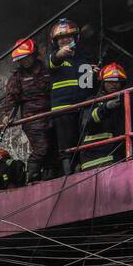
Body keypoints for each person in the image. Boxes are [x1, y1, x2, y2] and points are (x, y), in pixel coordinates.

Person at [46, 18, 94, 175]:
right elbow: (53, 62)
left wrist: (93, 73)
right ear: (55, 42)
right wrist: (59, 54)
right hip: (63, 109)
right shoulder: (54, 57)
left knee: (84, 140)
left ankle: (83, 168)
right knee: (66, 147)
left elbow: (86, 86)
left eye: (68, 36)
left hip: (82, 108)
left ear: (76, 38)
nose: (65, 40)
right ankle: (69, 174)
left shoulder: (83, 59)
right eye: (61, 38)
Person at [2, 39, 54, 183]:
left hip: (52, 114)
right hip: (32, 119)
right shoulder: (17, 77)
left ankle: (50, 175)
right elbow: (11, 99)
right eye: (21, 59)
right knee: (41, 148)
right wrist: (8, 115)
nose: (24, 61)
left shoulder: (46, 69)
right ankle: (32, 178)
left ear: (33, 54)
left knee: (53, 147)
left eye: (26, 57)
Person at [78, 62, 130, 171]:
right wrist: (106, 108)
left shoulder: (121, 105)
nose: (114, 85)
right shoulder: (92, 101)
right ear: (102, 83)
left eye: (117, 82)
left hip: (114, 158)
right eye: (109, 81)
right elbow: (87, 123)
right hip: (95, 160)